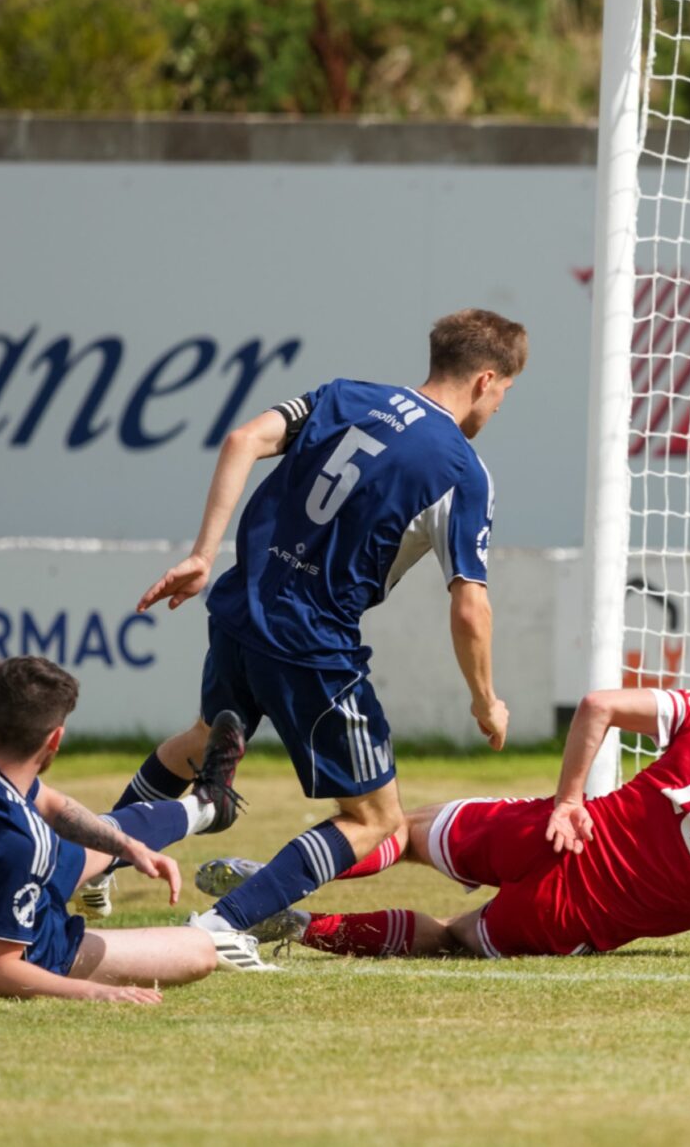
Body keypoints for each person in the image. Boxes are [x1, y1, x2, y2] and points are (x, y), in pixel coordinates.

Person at [100, 310, 527, 958]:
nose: (497, 409)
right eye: (503, 395)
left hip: (243, 606)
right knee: (374, 819)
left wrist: (201, 554)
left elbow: (243, 438)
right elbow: (470, 604)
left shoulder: (345, 395)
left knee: (198, 742)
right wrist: (485, 699)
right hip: (313, 643)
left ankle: (92, 859)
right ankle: (221, 927)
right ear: (486, 379)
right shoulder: (462, 471)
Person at [198, 688, 690, 960]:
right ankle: (306, 928)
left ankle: (269, 888)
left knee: (400, 830)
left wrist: (569, 800)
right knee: (452, 938)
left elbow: (596, 705)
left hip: (564, 828)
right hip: (576, 912)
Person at [0, 655, 253, 1001]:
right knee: (200, 951)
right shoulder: (23, 844)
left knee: (109, 832)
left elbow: (51, 805)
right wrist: (95, 991)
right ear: (55, 739)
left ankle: (207, 807)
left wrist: (127, 848)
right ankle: (207, 906)